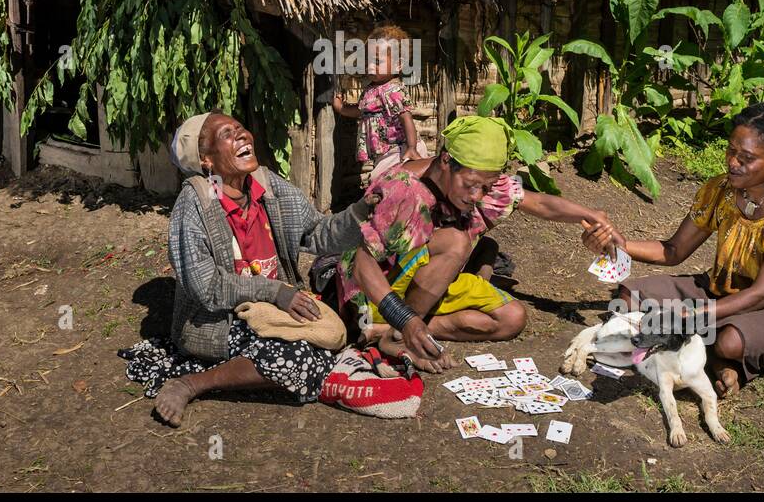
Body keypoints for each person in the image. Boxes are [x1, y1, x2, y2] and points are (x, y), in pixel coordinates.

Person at [119, 112, 375, 426]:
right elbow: (207, 287)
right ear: (207, 160)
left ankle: (254, 364)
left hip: (270, 310)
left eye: (241, 128)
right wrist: (275, 291)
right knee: (301, 359)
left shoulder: (266, 186)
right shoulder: (196, 202)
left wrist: (361, 211)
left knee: (328, 340)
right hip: (216, 321)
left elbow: (317, 234)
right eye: (227, 134)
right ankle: (192, 383)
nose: (242, 135)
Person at [582, 103, 764, 397]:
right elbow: (673, 251)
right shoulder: (722, 189)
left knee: (729, 341)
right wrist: (621, 244)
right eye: (731, 151)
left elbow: (763, 294)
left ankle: (723, 357)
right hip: (725, 292)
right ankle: (709, 355)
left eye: (746, 158)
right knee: (630, 295)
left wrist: (694, 314)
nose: (733, 162)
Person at [334, 114, 615, 371]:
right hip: (373, 294)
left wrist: (593, 217)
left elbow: (539, 203)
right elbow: (361, 264)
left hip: (421, 284)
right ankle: (400, 332)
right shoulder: (404, 190)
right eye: (472, 185)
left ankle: (388, 332)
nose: (478, 196)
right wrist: (404, 317)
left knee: (512, 318)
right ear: (445, 161)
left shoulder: (475, 182)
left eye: (487, 187)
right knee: (457, 242)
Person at [332, 24, 427, 182]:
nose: (370, 65)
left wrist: (411, 148)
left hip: (400, 150)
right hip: (385, 153)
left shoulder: (393, 91)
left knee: (380, 182)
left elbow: (406, 118)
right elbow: (362, 110)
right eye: (368, 60)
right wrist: (341, 108)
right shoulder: (372, 89)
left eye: (377, 61)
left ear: (398, 65)